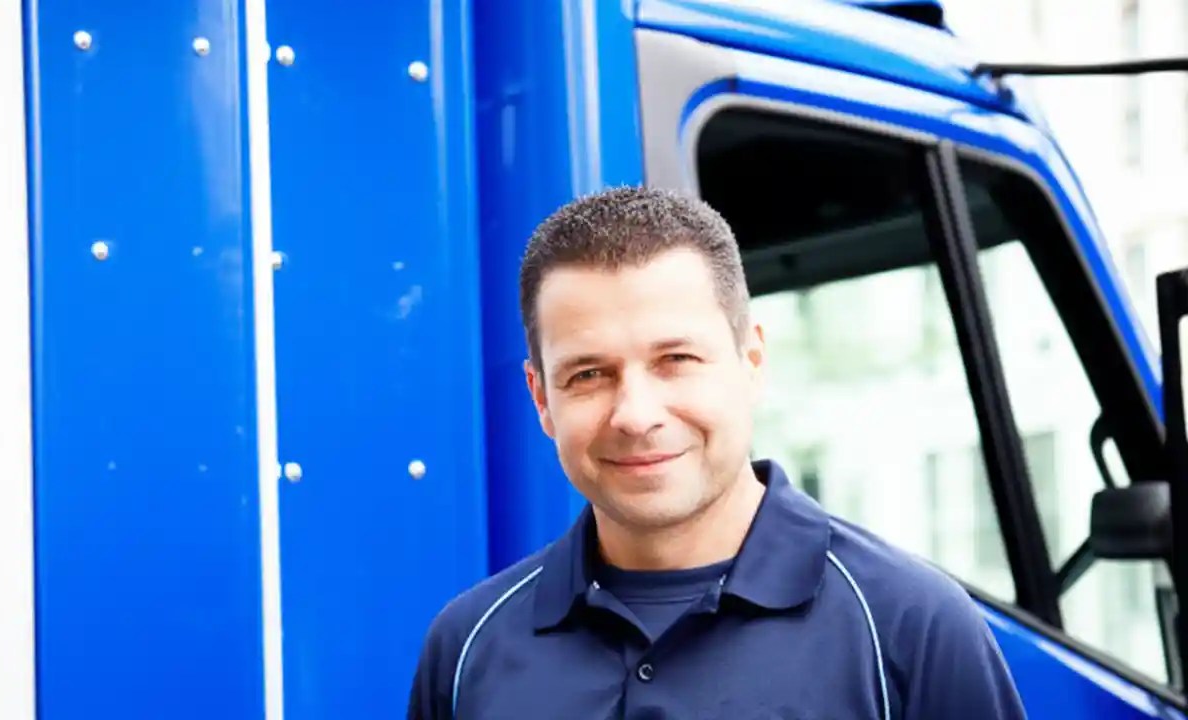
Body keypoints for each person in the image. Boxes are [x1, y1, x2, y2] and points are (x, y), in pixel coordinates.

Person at [407, 186, 1027, 719]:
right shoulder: (465, 649)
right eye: (589, 374)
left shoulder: (910, 627)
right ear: (542, 397)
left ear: (750, 361)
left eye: (675, 359)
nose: (636, 415)